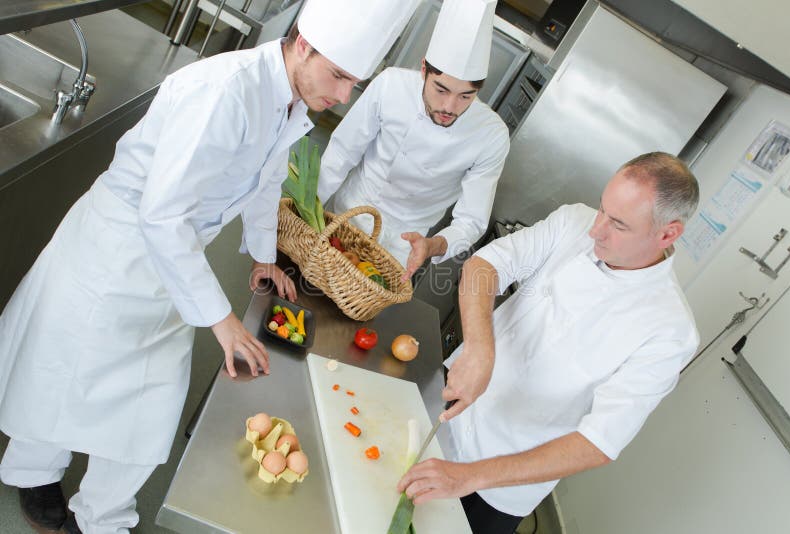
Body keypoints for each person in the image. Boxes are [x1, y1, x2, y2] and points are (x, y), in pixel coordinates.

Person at [0, 1, 416, 532]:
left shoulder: (287, 100)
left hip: (175, 264)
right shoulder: (226, 92)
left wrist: (265, 255)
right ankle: (32, 470)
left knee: (149, 402)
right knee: (67, 370)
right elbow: (162, 213)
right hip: (118, 251)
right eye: (338, 76)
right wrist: (221, 320)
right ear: (304, 45)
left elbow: (266, 183)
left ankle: (101, 518)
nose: (342, 96)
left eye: (353, 82)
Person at [398, 152, 702, 533]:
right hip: (445, 407)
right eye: (603, 210)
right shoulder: (574, 221)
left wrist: (467, 477)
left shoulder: (670, 331)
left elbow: (598, 442)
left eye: (619, 224)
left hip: (496, 483)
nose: (597, 230)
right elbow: (484, 266)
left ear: (668, 233)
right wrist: (479, 347)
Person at [317, 0, 510, 281]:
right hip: (351, 213)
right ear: (423, 70)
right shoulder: (391, 85)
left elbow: (471, 220)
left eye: (465, 96)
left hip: (404, 245)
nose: (450, 107)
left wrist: (433, 245)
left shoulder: (491, 135)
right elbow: (342, 152)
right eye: (441, 89)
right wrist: (307, 211)